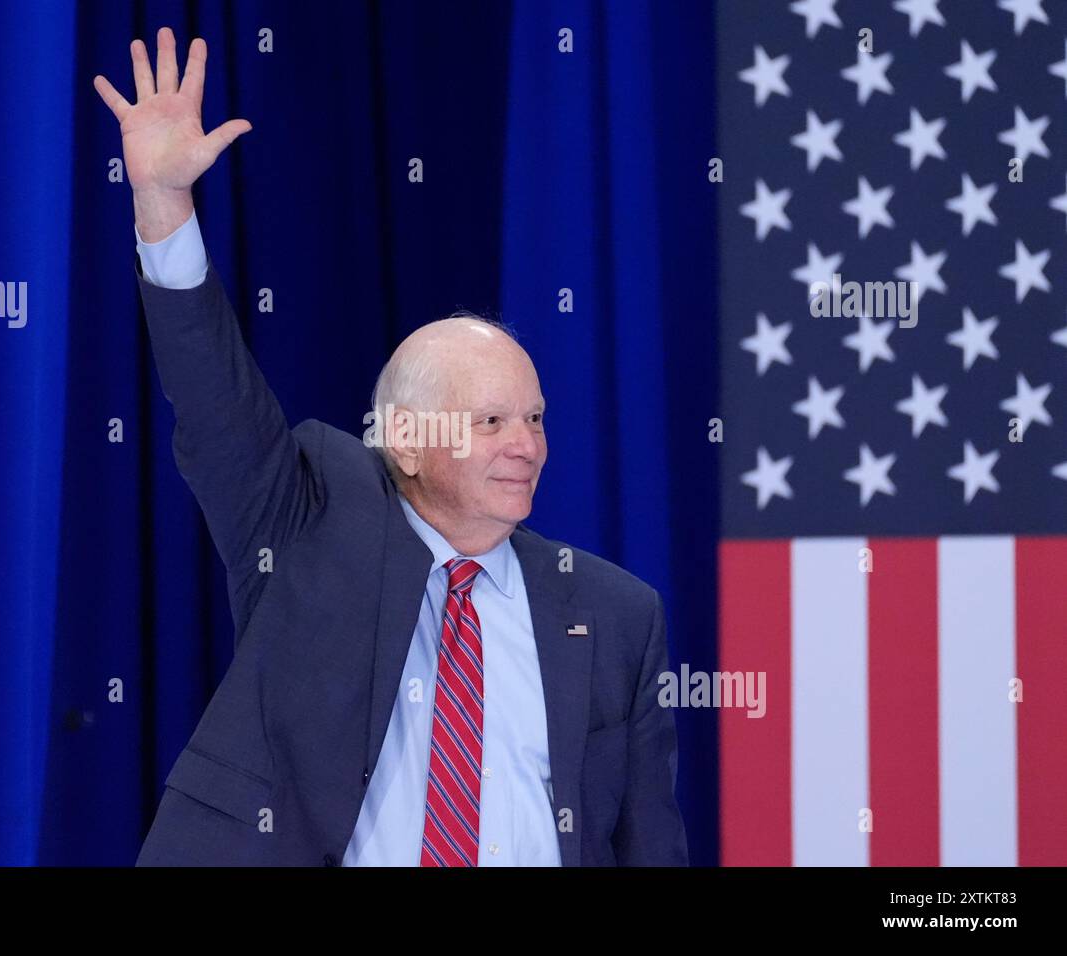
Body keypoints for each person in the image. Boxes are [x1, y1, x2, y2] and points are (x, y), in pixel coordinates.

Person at [94, 28, 688, 866]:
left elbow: (648, 845)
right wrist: (162, 206)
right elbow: (215, 400)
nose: (526, 445)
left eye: (536, 419)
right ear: (404, 441)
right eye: (490, 422)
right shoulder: (307, 521)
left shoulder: (616, 613)